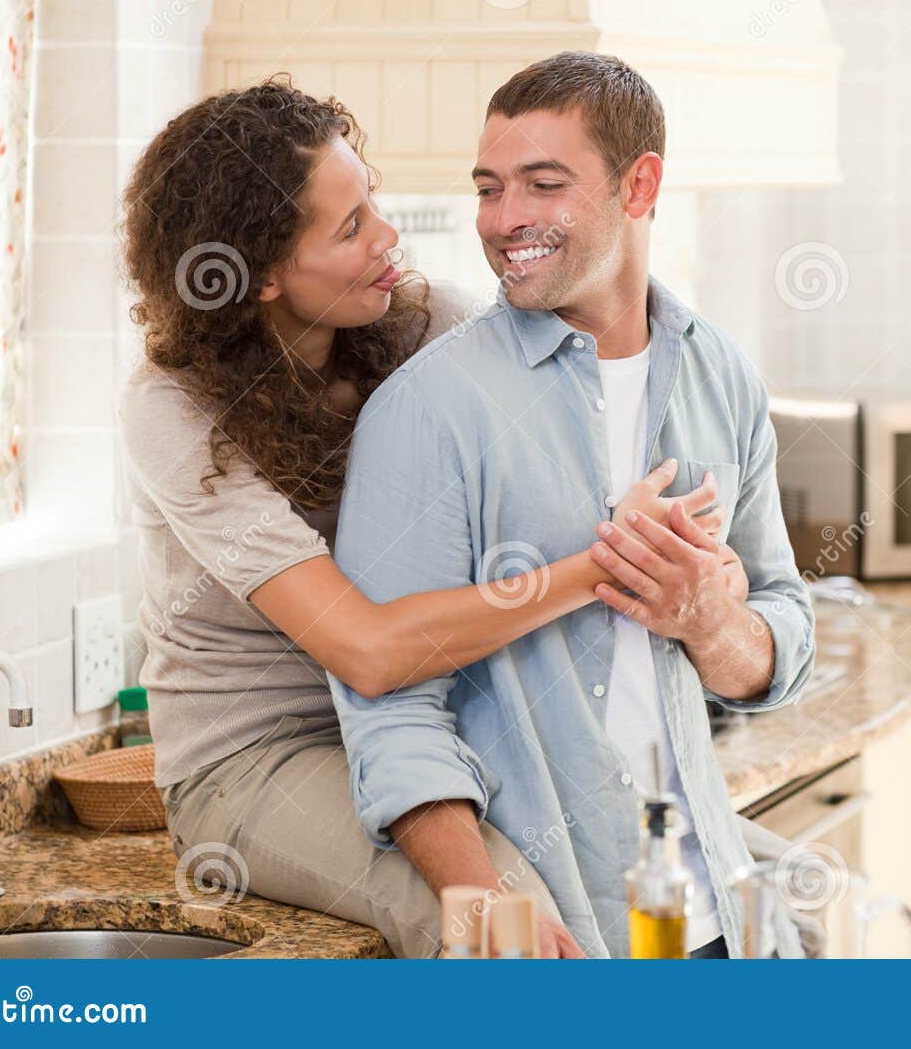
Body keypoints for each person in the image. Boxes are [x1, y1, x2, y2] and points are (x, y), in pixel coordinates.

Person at [117, 76, 739, 958]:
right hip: (264, 757)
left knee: (730, 878)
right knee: (510, 921)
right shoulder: (175, 414)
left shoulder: (423, 325)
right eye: (349, 230)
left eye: (371, 204)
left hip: (438, 721)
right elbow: (366, 650)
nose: (388, 237)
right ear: (258, 278)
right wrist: (607, 565)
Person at [329, 52, 816, 958]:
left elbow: (782, 630)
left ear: (641, 185)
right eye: (489, 188)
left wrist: (713, 624)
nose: (505, 220)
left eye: (543, 185)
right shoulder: (430, 409)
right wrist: (478, 893)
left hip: (712, 915)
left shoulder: (723, 376)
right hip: (559, 927)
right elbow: (389, 700)